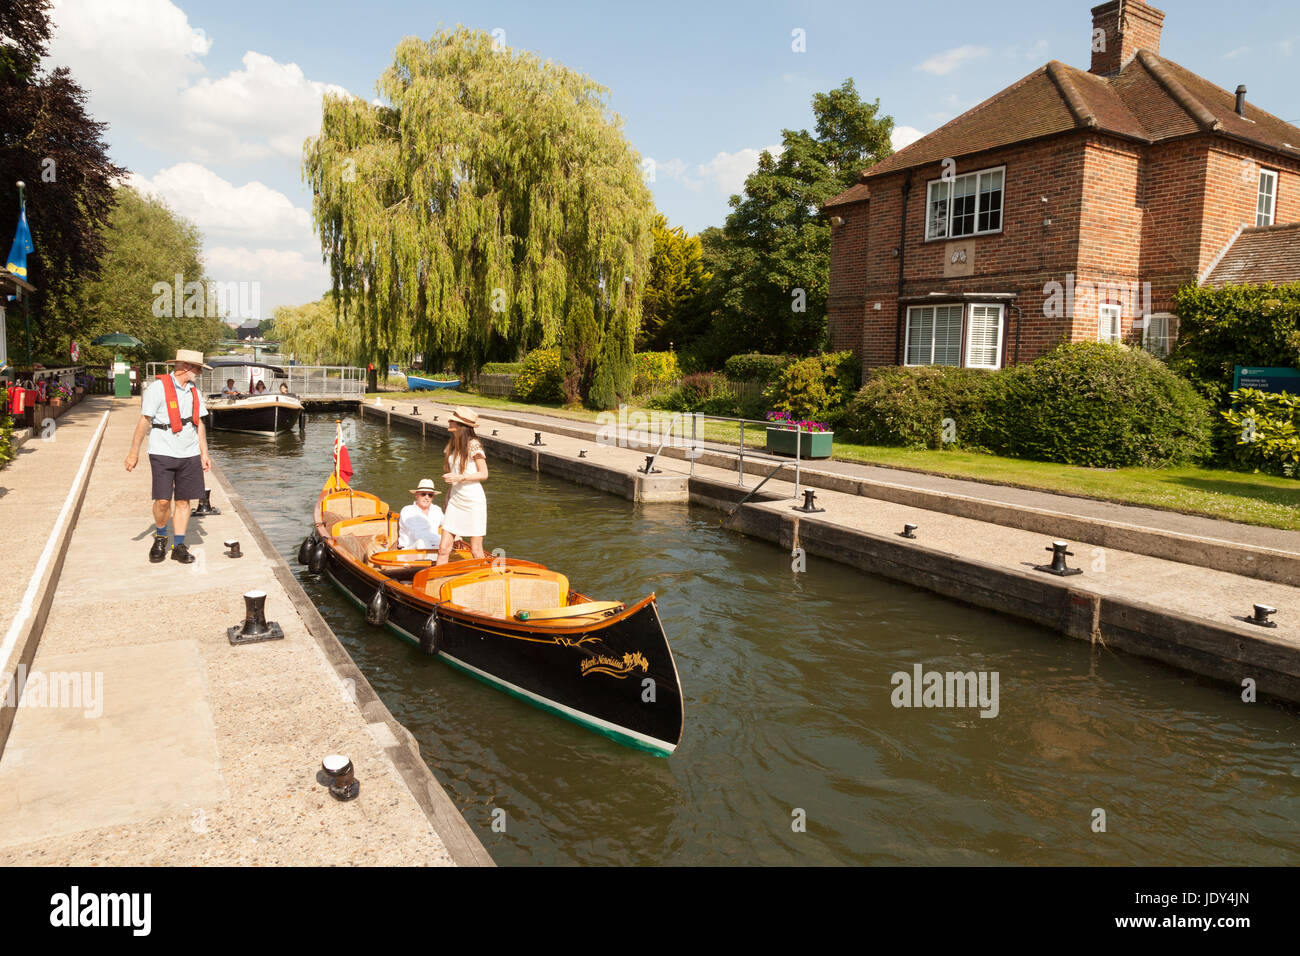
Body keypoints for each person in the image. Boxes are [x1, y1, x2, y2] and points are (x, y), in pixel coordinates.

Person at [124, 348, 212, 564]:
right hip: (162, 449)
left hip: (189, 452)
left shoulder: (194, 392)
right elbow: (144, 420)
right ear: (186, 367)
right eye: (198, 369)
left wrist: (204, 452)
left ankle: (178, 545)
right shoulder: (158, 389)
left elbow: (199, 422)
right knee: (163, 501)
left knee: (183, 501)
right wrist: (133, 452)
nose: (199, 373)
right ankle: (161, 536)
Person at [436, 406, 488, 565]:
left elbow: (484, 473)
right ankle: (435, 581)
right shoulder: (452, 445)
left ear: (460, 425)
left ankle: (485, 580)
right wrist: (448, 496)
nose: (449, 421)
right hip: (455, 500)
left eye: (452, 420)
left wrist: (460, 477)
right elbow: (454, 476)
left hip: (473, 501)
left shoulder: (474, 445)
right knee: (443, 548)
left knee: (476, 550)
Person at [398, 478, 445, 549]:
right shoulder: (407, 510)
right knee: (421, 543)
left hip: (435, 547)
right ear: (416, 495)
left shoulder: (437, 509)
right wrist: (440, 539)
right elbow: (417, 535)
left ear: (433, 497)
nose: (427, 497)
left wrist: (455, 535)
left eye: (430, 495)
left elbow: (448, 525)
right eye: (423, 494)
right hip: (409, 550)